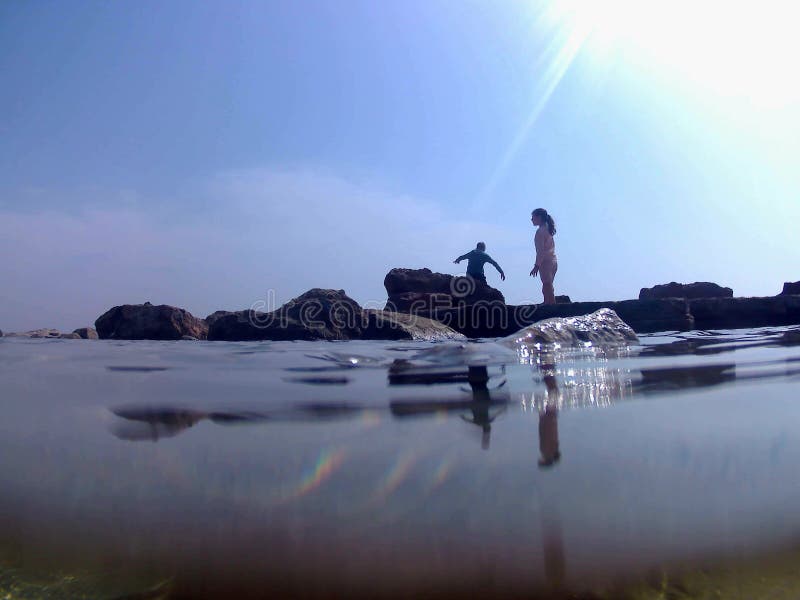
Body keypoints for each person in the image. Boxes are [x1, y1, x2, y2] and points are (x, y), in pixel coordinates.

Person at [529, 208, 558, 305]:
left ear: (539, 217)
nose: (531, 219)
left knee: (547, 285)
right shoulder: (548, 227)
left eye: (533, 217)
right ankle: (548, 303)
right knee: (548, 285)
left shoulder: (540, 231)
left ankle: (550, 305)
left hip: (545, 262)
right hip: (553, 261)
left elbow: (540, 252)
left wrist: (536, 266)